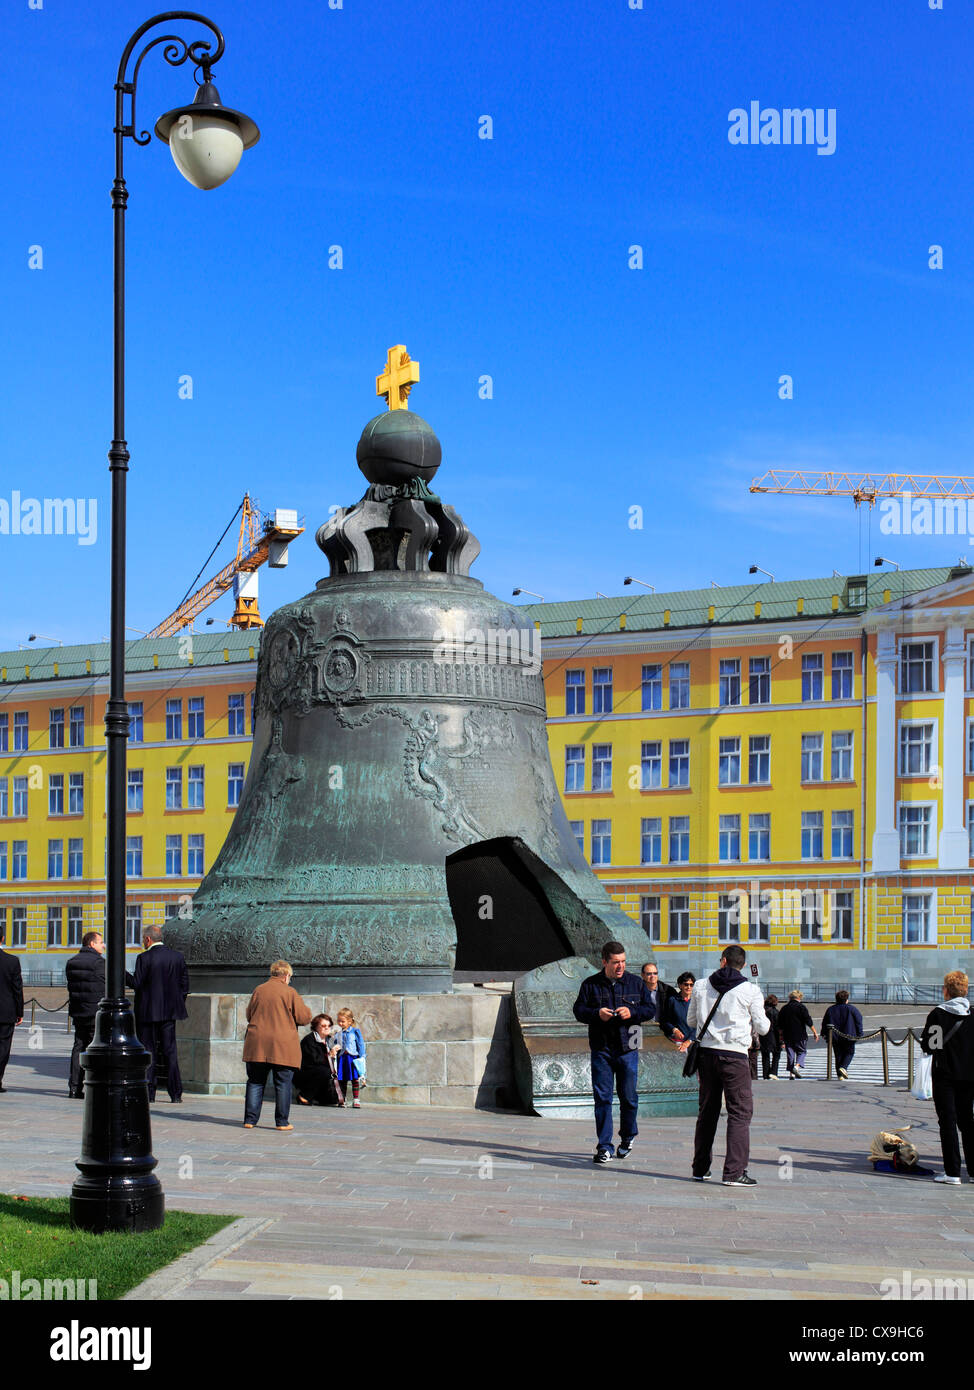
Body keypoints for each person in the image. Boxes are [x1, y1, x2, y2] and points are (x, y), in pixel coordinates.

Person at [686, 944, 769, 1187]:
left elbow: (691, 1020)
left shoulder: (701, 985)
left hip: (707, 1054)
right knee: (740, 1112)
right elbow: (763, 1027)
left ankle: (700, 1168)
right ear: (742, 965)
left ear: (722, 961)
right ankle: (734, 1172)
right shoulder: (750, 990)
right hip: (734, 1056)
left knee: (707, 1111)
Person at [573, 941, 656, 1163]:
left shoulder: (636, 983)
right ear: (604, 962)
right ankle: (604, 1146)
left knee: (629, 1097)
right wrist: (596, 1014)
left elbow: (650, 1009)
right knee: (602, 1098)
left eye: (623, 962)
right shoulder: (591, 984)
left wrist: (633, 1012)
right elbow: (578, 1010)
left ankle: (628, 1137)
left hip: (628, 1048)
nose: (620, 966)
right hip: (601, 1049)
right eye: (616, 962)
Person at [242, 960, 312, 1129]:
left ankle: (250, 1120)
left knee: (255, 1081)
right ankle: (281, 1122)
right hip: (282, 1045)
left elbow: (249, 1014)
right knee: (283, 1083)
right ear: (287, 975)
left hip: (257, 1043)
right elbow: (304, 1018)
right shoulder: (290, 992)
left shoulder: (259, 990)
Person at [920, 970, 974, 1185]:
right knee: (968, 1122)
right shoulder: (972, 1013)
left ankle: (952, 1172)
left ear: (946, 990)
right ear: (965, 990)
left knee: (948, 1122)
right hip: (970, 1075)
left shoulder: (938, 1014)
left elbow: (930, 1045)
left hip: (945, 1076)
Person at [133, 924, 190, 1102]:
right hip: (170, 1012)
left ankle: (149, 1092)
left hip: (148, 1013)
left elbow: (137, 984)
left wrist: (122, 975)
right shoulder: (177, 957)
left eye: (143, 939)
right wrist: (176, 1003)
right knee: (170, 1051)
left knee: (148, 1051)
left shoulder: (144, 958)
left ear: (148, 939)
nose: (143, 942)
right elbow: (184, 986)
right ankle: (175, 1093)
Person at [64, 931, 105, 1099]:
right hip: (95, 1012)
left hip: (78, 1011)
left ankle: (74, 1087)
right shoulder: (99, 963)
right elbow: (116, 978)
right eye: (100, 942)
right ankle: (95, 1086)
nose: (103, 945)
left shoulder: (71, 962)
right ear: (91, 944)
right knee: (95, 1049)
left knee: (78, 1047)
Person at [295, 1014, 342, 1107]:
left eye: (329, 1026)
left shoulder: (330, 1040)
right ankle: (304, 1096)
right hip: (306, 1073)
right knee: (324, 1071)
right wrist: (329, 1055)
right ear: (316, 1027)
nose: (327, 1028)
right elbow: (314, 1060)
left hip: (324, 1075)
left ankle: (321, 1097)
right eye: (323, 1026)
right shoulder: (309, 1040)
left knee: (332, 1100)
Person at [821, 989, 864, 1079]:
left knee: (838, 1055)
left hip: (834, 1036)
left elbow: (825, 1022)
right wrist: (860, 1033)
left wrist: (824, 1033)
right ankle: (843, 1067)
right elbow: (858, 1021)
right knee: (849, 1052)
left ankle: (839, 1075)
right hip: (849, 1035)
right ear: (847, 999)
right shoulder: (852, 1009)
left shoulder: (831, 1009)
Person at [777, 990, 818, 1077]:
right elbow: (808, 1021)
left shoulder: (784, 1008)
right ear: (799, 997)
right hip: (800, 1035)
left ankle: (791, 1074)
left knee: (790, 1054)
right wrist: (814, 1032)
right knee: (802, 1052)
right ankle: (797, 1066)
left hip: (787, 1035)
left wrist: (781, 1037)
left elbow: (780, 1024)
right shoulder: (801, 1007)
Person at [0, 938, 23, 1093]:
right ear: (2, 939)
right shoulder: (12, 961)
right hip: (5, 1011)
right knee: (3, 1047)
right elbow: (17, 989)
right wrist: (19, 1012)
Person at [334, 1008, 366, 1108]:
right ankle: (342, 1098)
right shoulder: (337, 1033)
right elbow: (333, 1044)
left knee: (355, 1079)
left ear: (350, 1021)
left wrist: (362, 1057)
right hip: (342, 1059)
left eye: (343, 1021)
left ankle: (356, 1099)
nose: (340, 1023)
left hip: (352, 1059)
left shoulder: (355, 1032)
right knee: (342, 1079)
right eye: (339, 1021)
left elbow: (360, 1045)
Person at [661, 972, 696, 1043]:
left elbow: (700, 1024)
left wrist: (690, 1040)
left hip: (694, 1041)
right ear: (680, 985)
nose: (689, 987)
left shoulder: (697, 1001)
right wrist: (674, 1030)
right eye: (686, 984)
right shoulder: (672, 1001)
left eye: (691, 985)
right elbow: (666, 1021)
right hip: (677, 1041)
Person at [641, 962, 676, 1031]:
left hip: (663, 1030)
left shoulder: (668, 991)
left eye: (655, 973)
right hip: (642, 1029)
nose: (652, 976)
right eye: (649, 974)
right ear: (642, 975)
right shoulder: (636, 990)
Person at [759, 994, 782, 1079]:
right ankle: (773, 1072)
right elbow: (778, 1027)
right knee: (776, 1054)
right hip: (773, 1036)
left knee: (765, 1056)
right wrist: (781, 1040)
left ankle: (765, 1074)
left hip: (763, 1035)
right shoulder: (775, 1012)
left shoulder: (762, 1011)